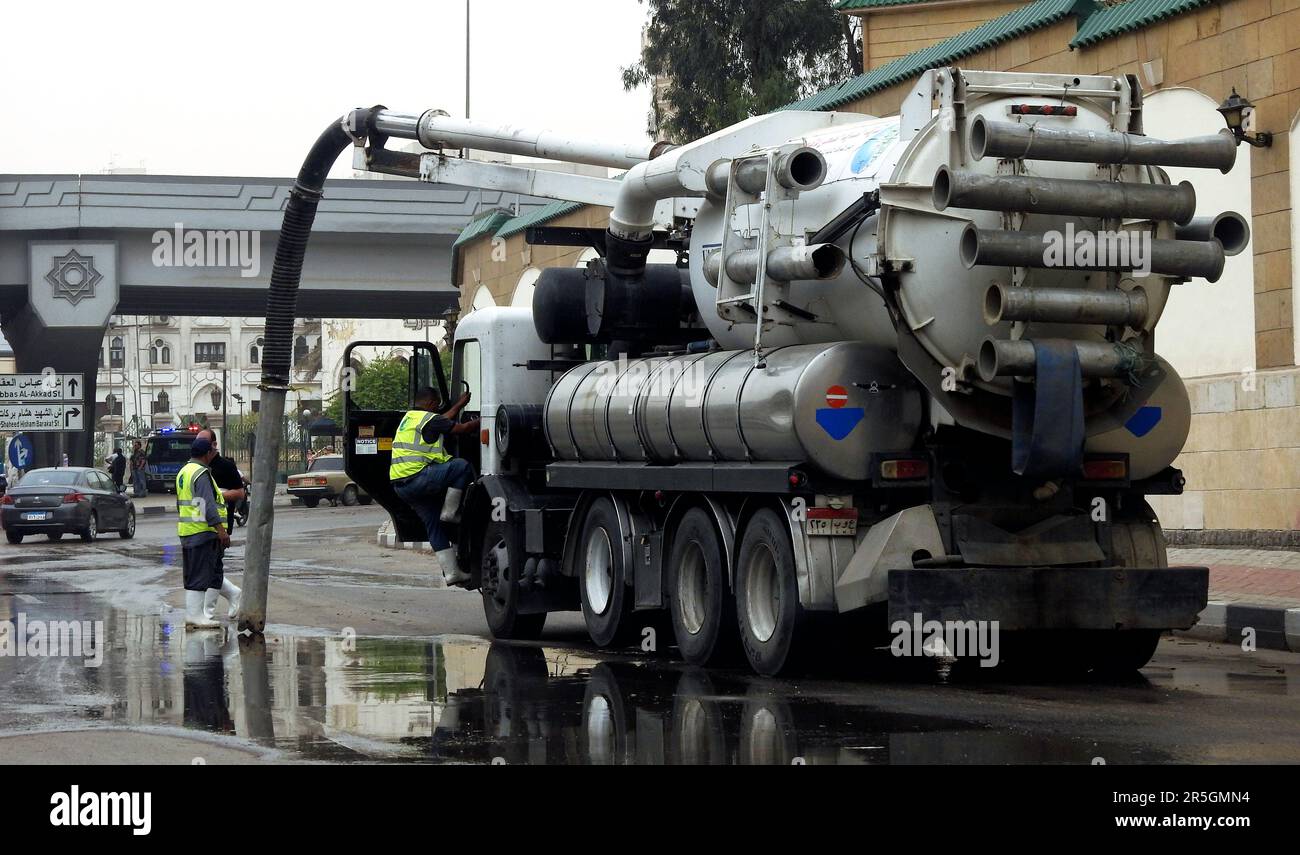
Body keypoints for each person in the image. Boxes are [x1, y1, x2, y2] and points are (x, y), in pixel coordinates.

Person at [389, 387, 479, 586]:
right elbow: (462, 430)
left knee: (433, 526)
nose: (438, 408)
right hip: (419, 477)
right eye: (437, 404)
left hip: (401, 486)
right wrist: (487, 419)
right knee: (461, 466)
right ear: (430, 403)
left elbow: (443, 420)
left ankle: (452, 573)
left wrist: (458, 406)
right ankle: (451, 512)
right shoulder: (430, 419)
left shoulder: (410, 418)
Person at [177, 437, 241, 628]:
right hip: (203, 532)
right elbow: (208, 505)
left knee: (199, 573)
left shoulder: (184, 471)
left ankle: (194, 615)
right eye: (212, 451)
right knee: (200, 575)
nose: (214, 454)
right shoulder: (201, 473)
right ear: (207, 454)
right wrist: (221, 530)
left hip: (188, 531)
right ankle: (196, 615)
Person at [196, 429, 247, 533]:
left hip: (221, 527)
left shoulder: (227, 466)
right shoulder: (195, 467)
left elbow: (240, 493)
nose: (199, 446)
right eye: (197, 442)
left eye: (203, 442)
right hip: (198, 526)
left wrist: (215, 496)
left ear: (214, 444)